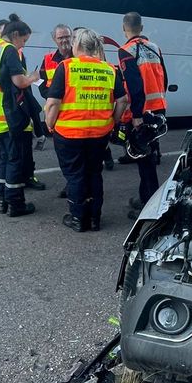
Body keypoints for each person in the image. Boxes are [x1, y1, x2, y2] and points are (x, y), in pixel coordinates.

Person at [45, 28, 128, 232]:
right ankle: (94, 218)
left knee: (75, 175)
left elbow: (53, 103)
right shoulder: (109, 69)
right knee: (94, 173)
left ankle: (78, 218)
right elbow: (123, 100)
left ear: (77, 45)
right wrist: (113, 121)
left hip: (69, 134)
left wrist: (49, 123)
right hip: (99, 134)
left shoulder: (66, 67)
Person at [0, 14, 45, 216]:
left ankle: (3, 201)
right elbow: (19, 82)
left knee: (3, 160)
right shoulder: (9, 50)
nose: (23, 46)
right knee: (14, 160)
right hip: (9, 114)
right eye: (23, 40)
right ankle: (16, 205)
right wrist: (33, 77)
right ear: (14, 35)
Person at [117, 12, 168, 218]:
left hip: (142, 111)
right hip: (159, 109)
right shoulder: (155, 48)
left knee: (143, 159)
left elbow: (135, 86)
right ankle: (144, 196)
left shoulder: (126, 51)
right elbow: (164, 78)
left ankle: (150, 206)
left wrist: (136, 114)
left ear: (124, 28)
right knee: (148, 156)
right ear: (142, 27)